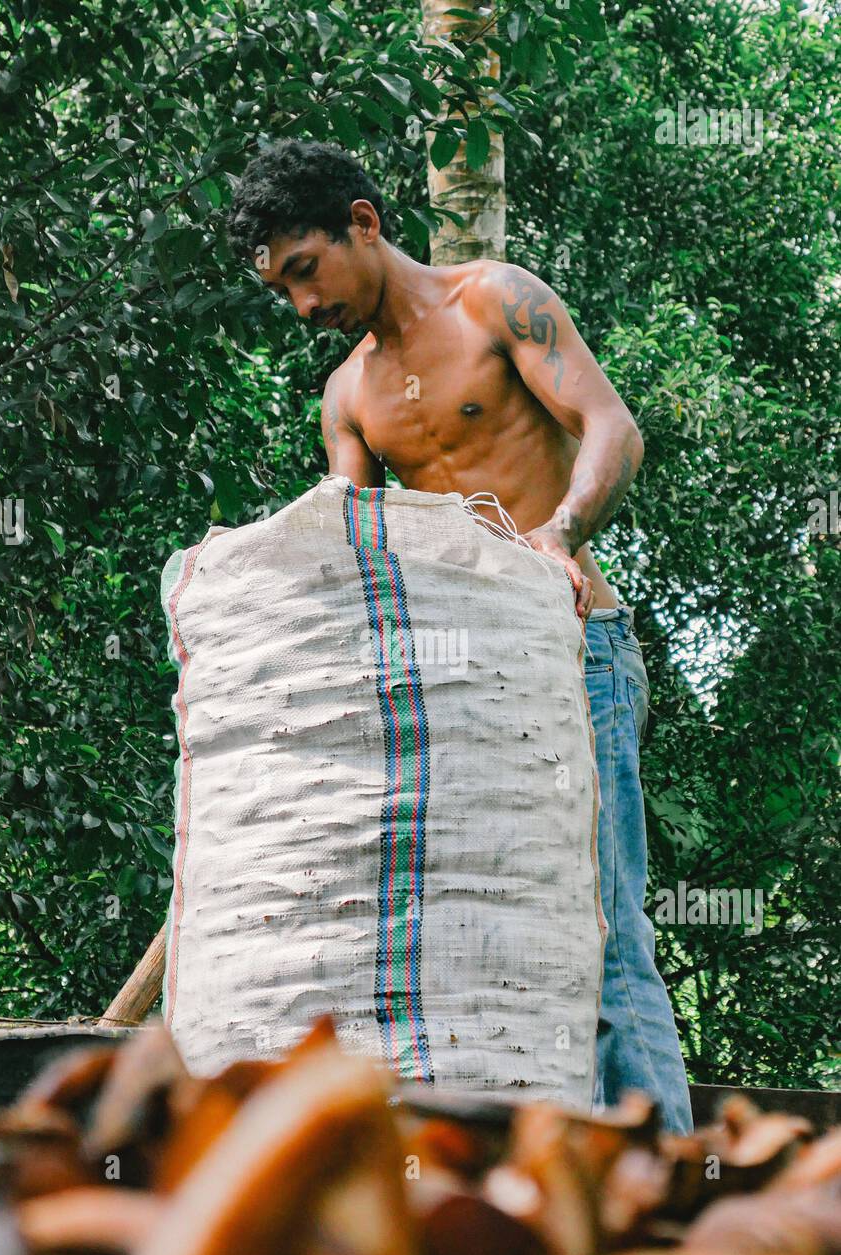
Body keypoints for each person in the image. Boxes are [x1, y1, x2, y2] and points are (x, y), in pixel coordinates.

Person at [226, 138, 694, 1133]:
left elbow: (612, 427)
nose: (303, 305)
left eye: (304, 269)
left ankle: (667, 1196)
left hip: (574, 651)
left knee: (599, 939)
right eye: (280, 292)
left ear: (363, 222)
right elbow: (348, 559)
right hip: (457, 688)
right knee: (477, 942)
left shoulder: (494, 303)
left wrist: (553, 537)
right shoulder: (347, 396)